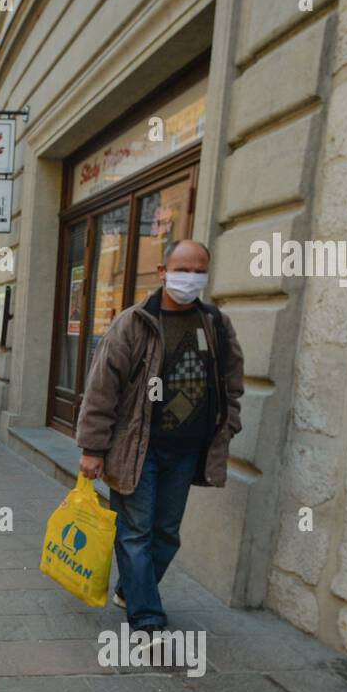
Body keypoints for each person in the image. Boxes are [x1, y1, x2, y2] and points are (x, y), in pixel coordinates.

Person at [75, 239, 244, 638]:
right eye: (182, 269)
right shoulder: (134, 322)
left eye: (198, 269)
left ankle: (130, 589)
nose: (190, 277)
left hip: (187, 450)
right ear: (163, 272)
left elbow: (231, 381)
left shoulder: (215, 323)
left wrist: (228, 424)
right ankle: (147, 617)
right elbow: (102, 387)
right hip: (137, 447)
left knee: (167, 533)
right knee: (136, 531)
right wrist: (92, 448)